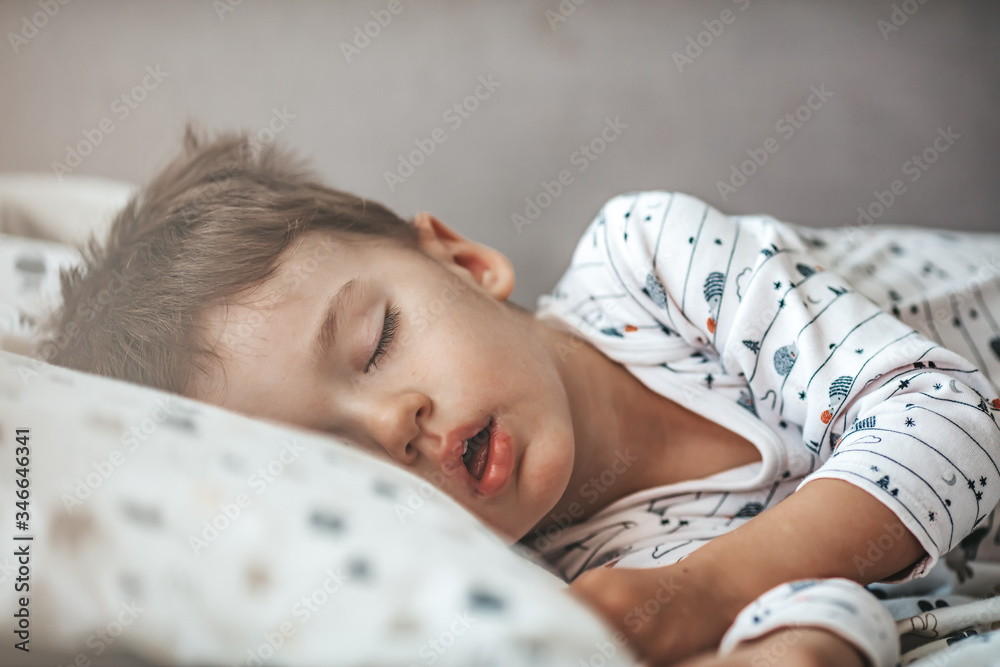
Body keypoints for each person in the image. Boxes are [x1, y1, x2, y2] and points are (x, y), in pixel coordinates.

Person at [39, 127, 1000, 667]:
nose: (392, 427)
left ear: (463, 259)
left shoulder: (653, 265)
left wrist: (695, 592)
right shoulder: (561, 578)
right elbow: (856, 596)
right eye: (340, 458)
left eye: (376, 342)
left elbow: (952, 423)